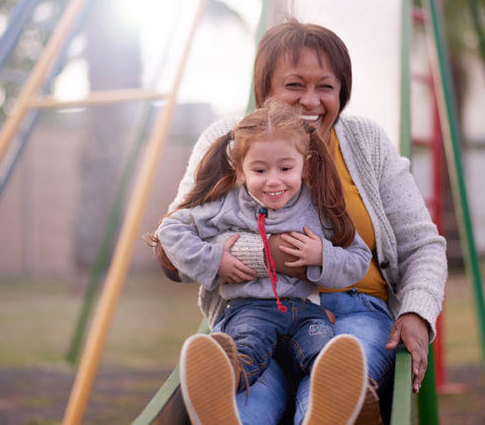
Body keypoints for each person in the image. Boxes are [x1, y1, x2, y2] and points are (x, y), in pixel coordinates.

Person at [162, 19, 447, 425]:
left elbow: (423, 245)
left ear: (341, 92)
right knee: (250, 389)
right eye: (294, 85)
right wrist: (260, 256)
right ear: (266, 91)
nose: (310, 101)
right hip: (256, 307)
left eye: (325, 87)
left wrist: (417, 312)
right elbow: (171, 241)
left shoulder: (367, 142)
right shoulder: (232, 140)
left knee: (335, 376)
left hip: (357, 310)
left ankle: (325, 413)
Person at [153, 98, 373, 423]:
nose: (273, 181)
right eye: (259, 170)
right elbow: (170, 229)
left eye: (286, 169)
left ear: (305, 165)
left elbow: (359, 258)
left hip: (305, 312)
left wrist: (322, 256)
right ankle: (218, 388)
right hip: (250, 310)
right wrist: (214, 261)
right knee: (246, 349)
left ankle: (347, 402)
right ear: (240, 170)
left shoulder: (317, 209)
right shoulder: (227, 205)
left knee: (325, 353)